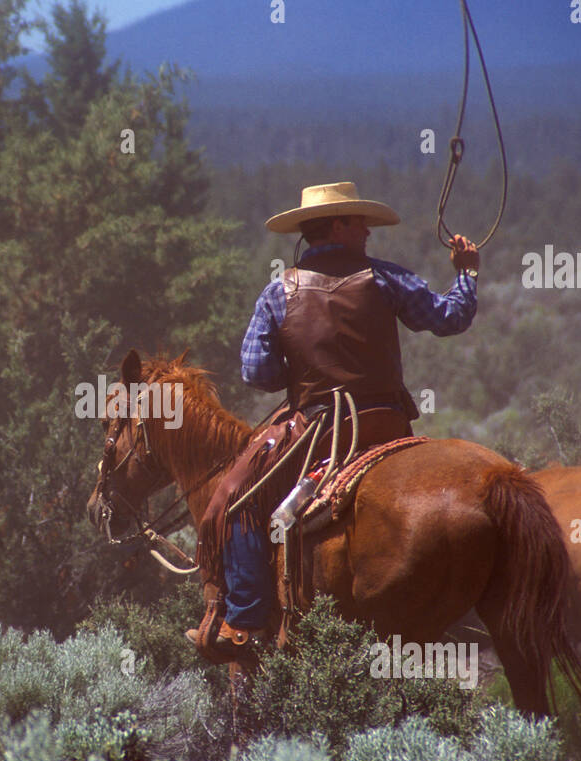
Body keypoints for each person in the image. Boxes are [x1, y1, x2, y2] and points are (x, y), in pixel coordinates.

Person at [188, 181, 481, 663]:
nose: (367, 231)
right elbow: (449, 318)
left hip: (316, 433)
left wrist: (301, 373)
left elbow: (256, 374)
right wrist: (466, 275)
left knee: (238, 501)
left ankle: (243, 621)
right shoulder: (385, 278)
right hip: (386, 425)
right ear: (339, 225)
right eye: (359, 221)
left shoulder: (277, 292)